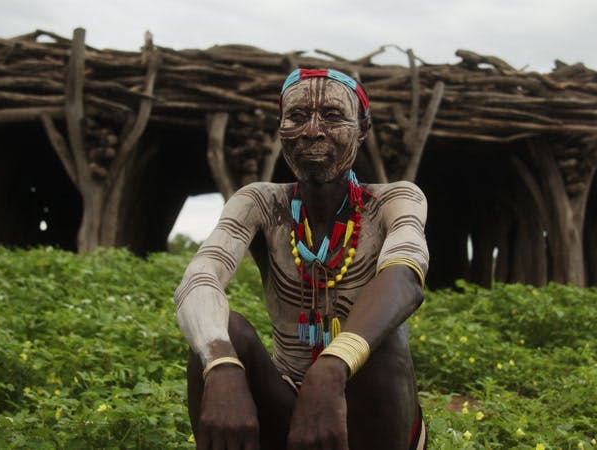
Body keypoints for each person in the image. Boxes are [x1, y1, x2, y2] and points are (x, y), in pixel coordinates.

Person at [174, 68, 429, 450]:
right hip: (286, 400)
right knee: (224, 332)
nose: (312, 131)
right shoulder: (260, 202)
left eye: (331, 116)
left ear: (363, 128)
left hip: (369, 409)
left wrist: (331, 368)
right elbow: (199, 278)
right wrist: (221, 364)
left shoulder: (393, 200)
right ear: (280, 128)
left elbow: (405, 277)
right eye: (296, 117)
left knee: (386, 339)